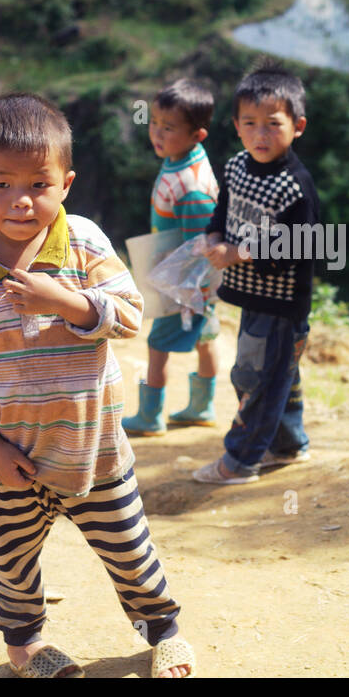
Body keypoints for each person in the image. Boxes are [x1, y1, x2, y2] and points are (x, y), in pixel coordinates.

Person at [0, 92, 195, 677]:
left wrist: (67, 302)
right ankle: (26, 651)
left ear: (66, 184)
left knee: (130, 551)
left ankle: (163, 632)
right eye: (1, 184)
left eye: (38, 185)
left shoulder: (83, 244)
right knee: (12, 561)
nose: (21, 201)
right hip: (11, 460)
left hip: (94, 451)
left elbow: (130, 315)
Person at [193, 59, 320, 485]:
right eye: (250, 123)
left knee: (255, 377)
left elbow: (296, 249)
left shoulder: (294, 186)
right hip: (249, 293)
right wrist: (214, 238)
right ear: (236, 125)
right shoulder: (235, 168)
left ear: (297, 126)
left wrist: (237, 253)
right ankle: (287, 445)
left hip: (282, 302)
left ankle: (240, 460)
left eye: (273, 124)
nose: (260, 134)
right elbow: (223, 211)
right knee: (276, 371)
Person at [121, 79, 222, 435]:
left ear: (198, 135)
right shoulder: (182, 161)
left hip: (184, 279)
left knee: (157, 344)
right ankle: (203, 405)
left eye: (169, 128)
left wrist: (182, 283)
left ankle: (150, 416)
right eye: (154, 124)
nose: (157, 134)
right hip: (200, 280)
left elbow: (199, 241)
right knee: (206, 336)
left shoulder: (192, 187)